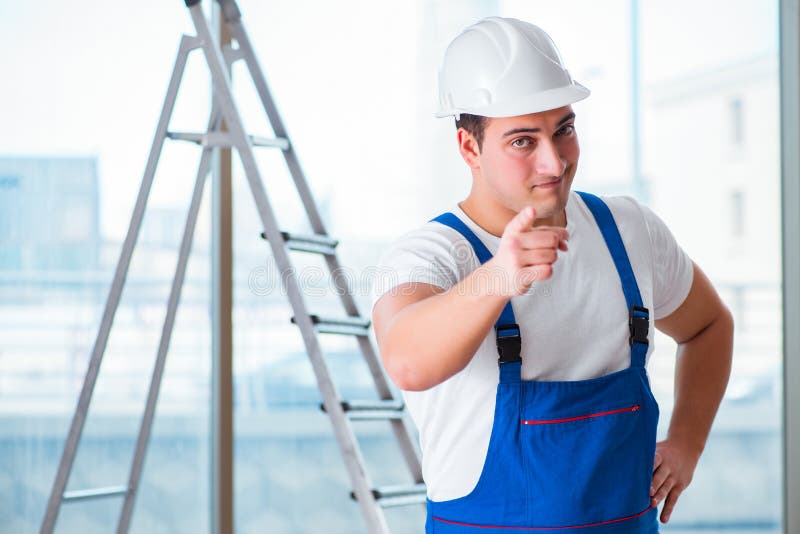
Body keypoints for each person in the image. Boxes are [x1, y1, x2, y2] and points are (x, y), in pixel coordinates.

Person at [371, 16, 733, 533]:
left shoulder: (628, 232)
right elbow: (407, 360)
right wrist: (500, 275)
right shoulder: (429, 255)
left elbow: (709, 326)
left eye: (563, 129)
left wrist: (687, 443)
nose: (554, 162)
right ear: (469, 148)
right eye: (522, 141)